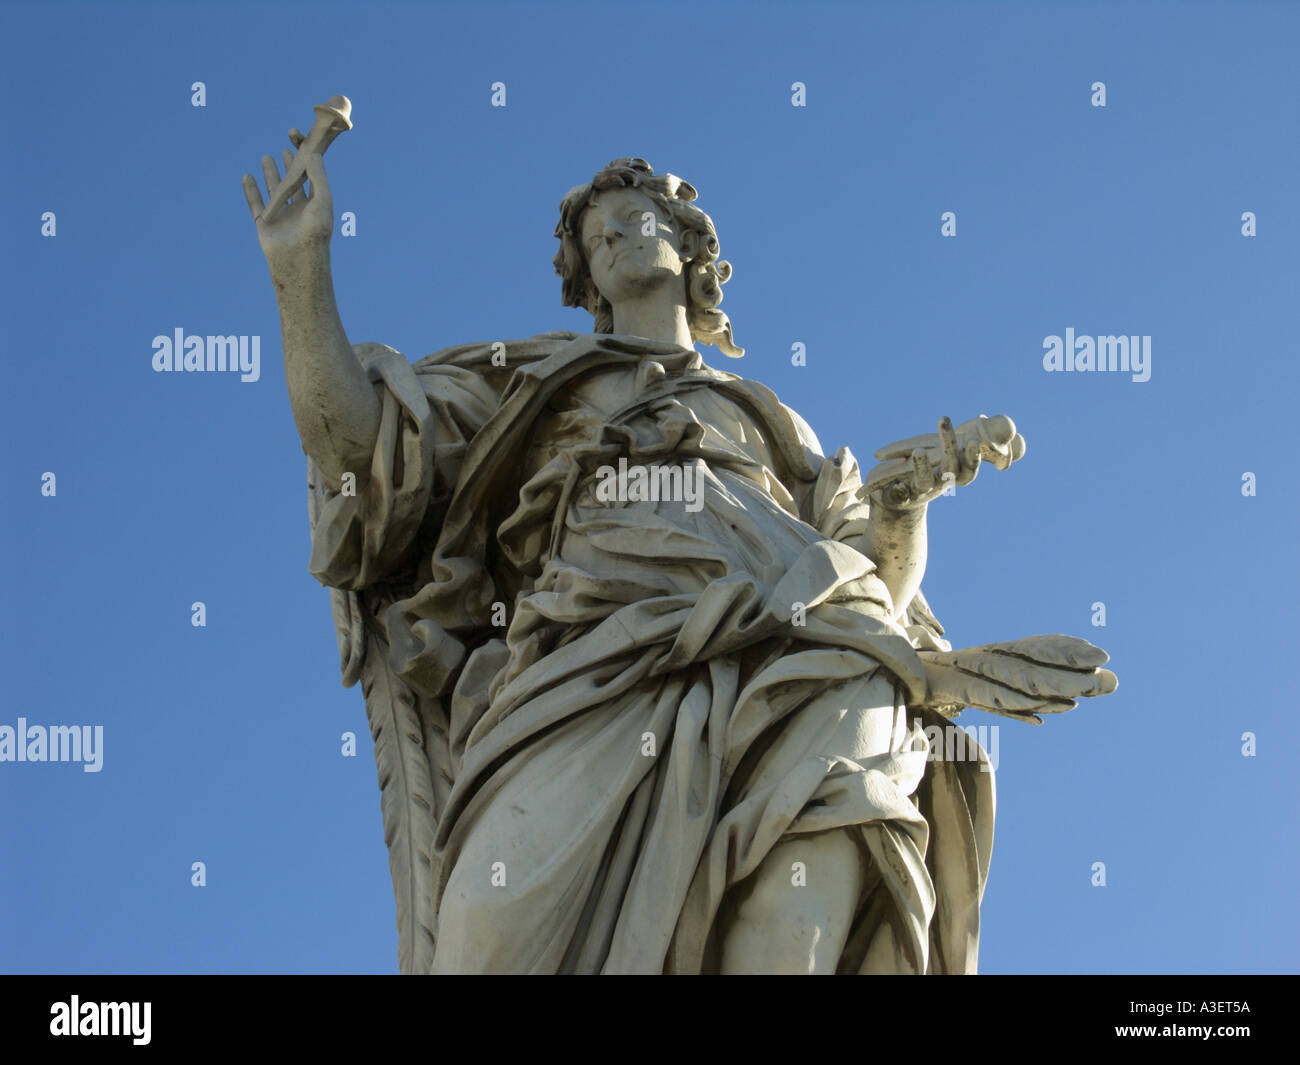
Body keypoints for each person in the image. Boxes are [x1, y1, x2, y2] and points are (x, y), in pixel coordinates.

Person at [244, 143, 1104, 974]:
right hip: (588, 674)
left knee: (789, 926)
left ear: (690, 243)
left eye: (631, 217)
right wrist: (299, 274)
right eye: (595, 237)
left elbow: (870, 585)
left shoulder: (775, 428)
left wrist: (902, 508)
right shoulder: (533, 388)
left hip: (798, 671)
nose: (613, 236)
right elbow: (358, 447)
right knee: (481, 942)